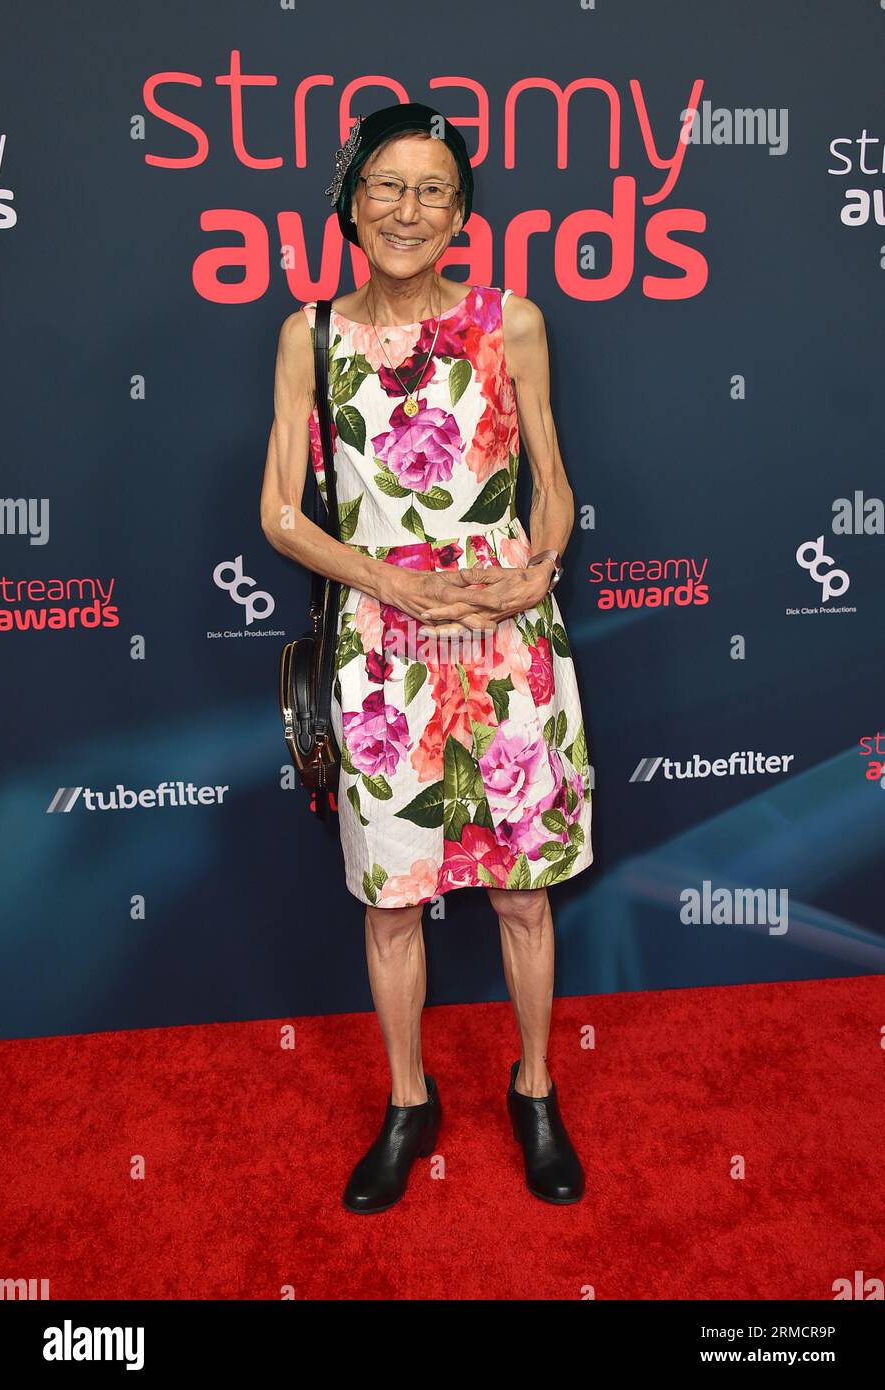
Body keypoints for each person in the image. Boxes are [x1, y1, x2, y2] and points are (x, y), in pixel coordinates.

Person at [261, 102, 594, 1213]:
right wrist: (388, 579)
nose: (410, 210)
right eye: (387, 187)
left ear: (463, 211)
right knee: (392, 902)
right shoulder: (310, 334)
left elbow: (555, 482)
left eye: (434, 190)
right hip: (384, 653)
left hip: (508, 648)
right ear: (349, 201)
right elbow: (278, 513)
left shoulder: (516, 322)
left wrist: (542, 561)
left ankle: (535, 1087)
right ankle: (408, 1100)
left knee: (521, 896)